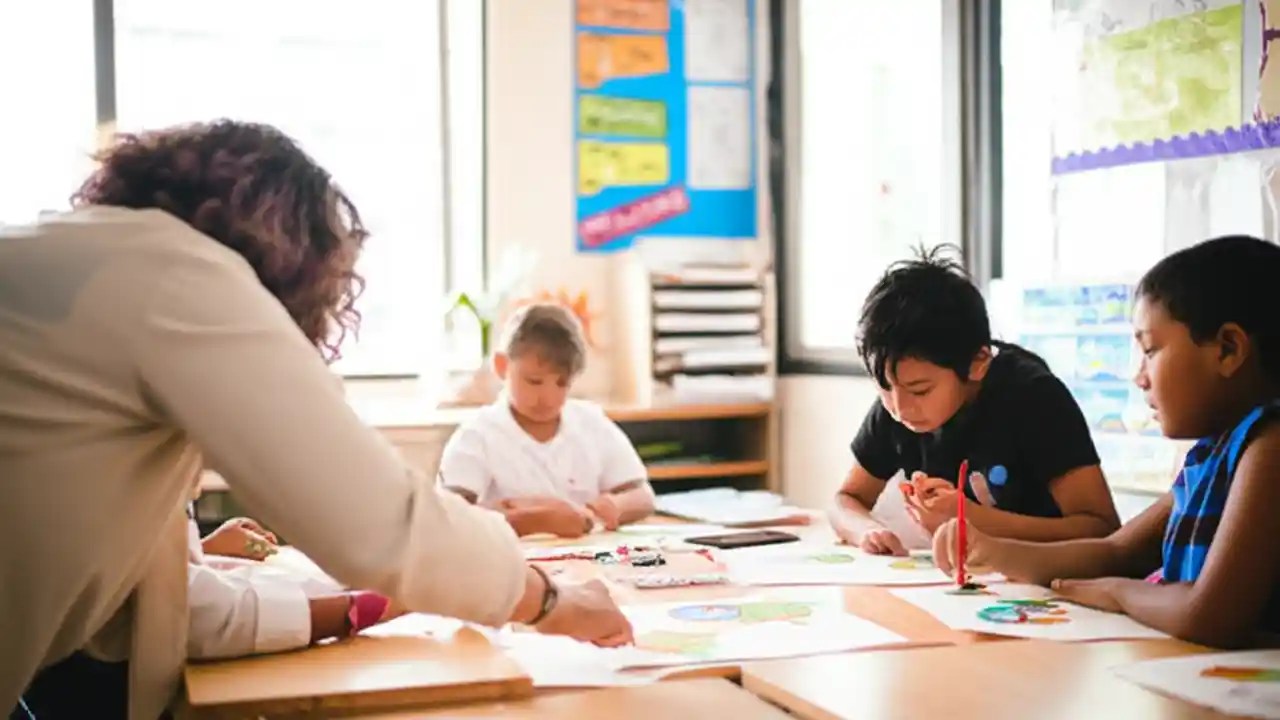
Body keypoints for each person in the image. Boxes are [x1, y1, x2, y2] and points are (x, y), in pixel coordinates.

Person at [0, 120, 632, 720]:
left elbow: (157, 603)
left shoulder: (87, 271)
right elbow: (381, 520)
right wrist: (549, 600)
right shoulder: (175, 275)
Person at [935, 235, 1280, 648]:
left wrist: (1117, 592)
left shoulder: (1270, 446)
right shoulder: (1213, 454)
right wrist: (991, 550)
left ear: (1228, 349)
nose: (1139, 376)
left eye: (1150, 350)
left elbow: (1209, 615)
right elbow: (1117, 552)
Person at [829, 246, 1120, 556]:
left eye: (921, 390)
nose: (900, 409)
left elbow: (1102, 528)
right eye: (884, 388)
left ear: (977, 363)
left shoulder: (1034, 398)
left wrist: (972, 519)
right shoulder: (899, 398)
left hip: (1048, 582)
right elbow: (846, 500)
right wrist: (866, 530)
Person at [439, 303, 656, 537]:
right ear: (502, 366)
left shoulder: (592, 423)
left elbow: (643, 496)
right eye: (534, 381)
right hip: (514, 564)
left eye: (562, 383)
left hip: (587, 562)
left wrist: (615, 507)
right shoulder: (477, 435)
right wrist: (534, 520)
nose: (548, 398)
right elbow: (450, 516)